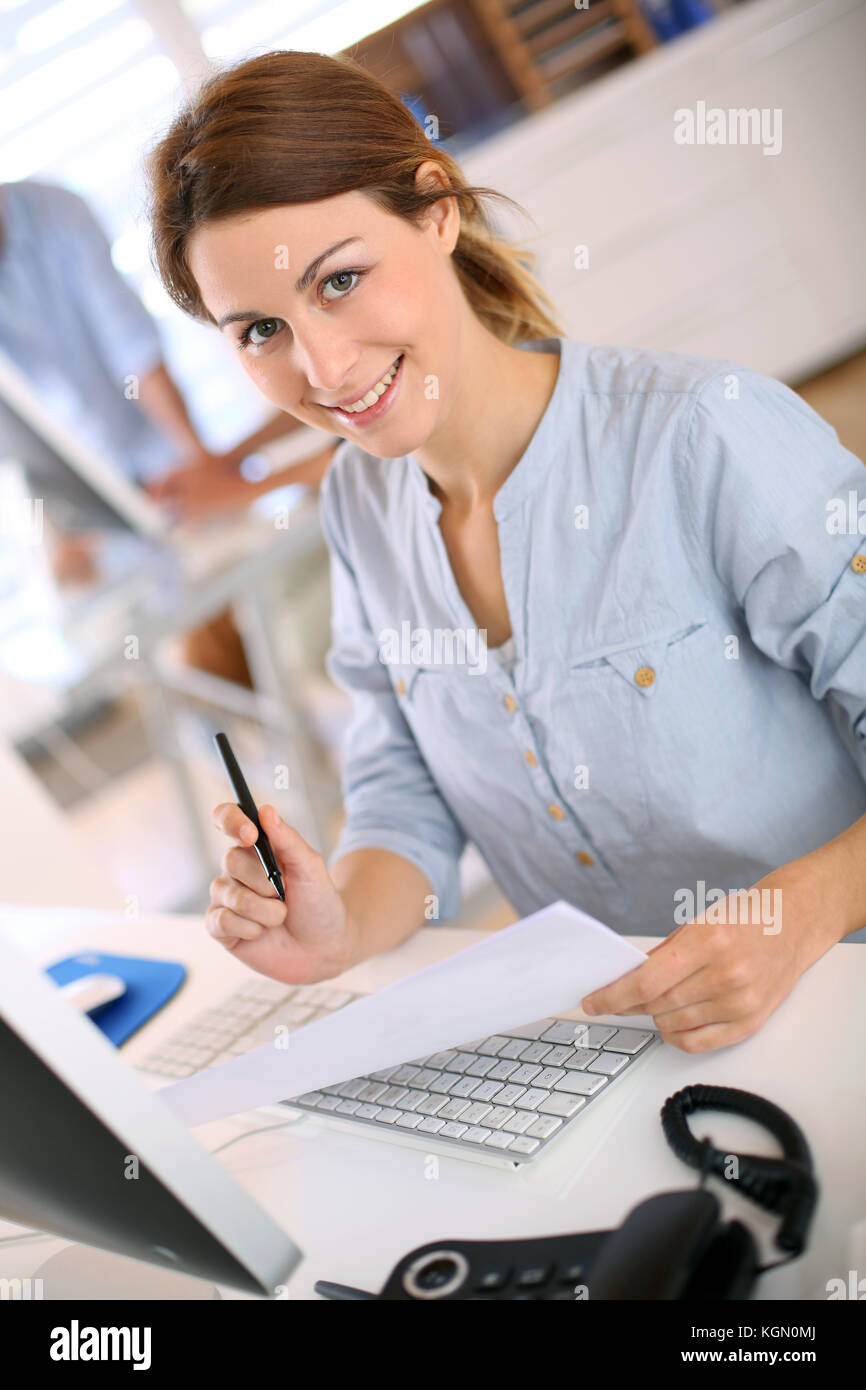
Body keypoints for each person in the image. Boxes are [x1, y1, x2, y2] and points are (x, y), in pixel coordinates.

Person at [144, 49, 866, 1053]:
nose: (323, 367)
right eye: (261, 328)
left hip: (836, 1003)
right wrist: (336, 925)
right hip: (622, 1052)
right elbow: (405, 796)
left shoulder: (703, 433)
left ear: (435, 210)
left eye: (341, 279)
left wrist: (803, 911)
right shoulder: (359, 506)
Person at [0, 177, 336, 678]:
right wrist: (222, 467)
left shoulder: (53, 215)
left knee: (236, 647)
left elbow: (133, 349)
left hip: (160, 461)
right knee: (173, 652)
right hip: (97, 488)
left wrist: (232, 481)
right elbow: (317, 408)